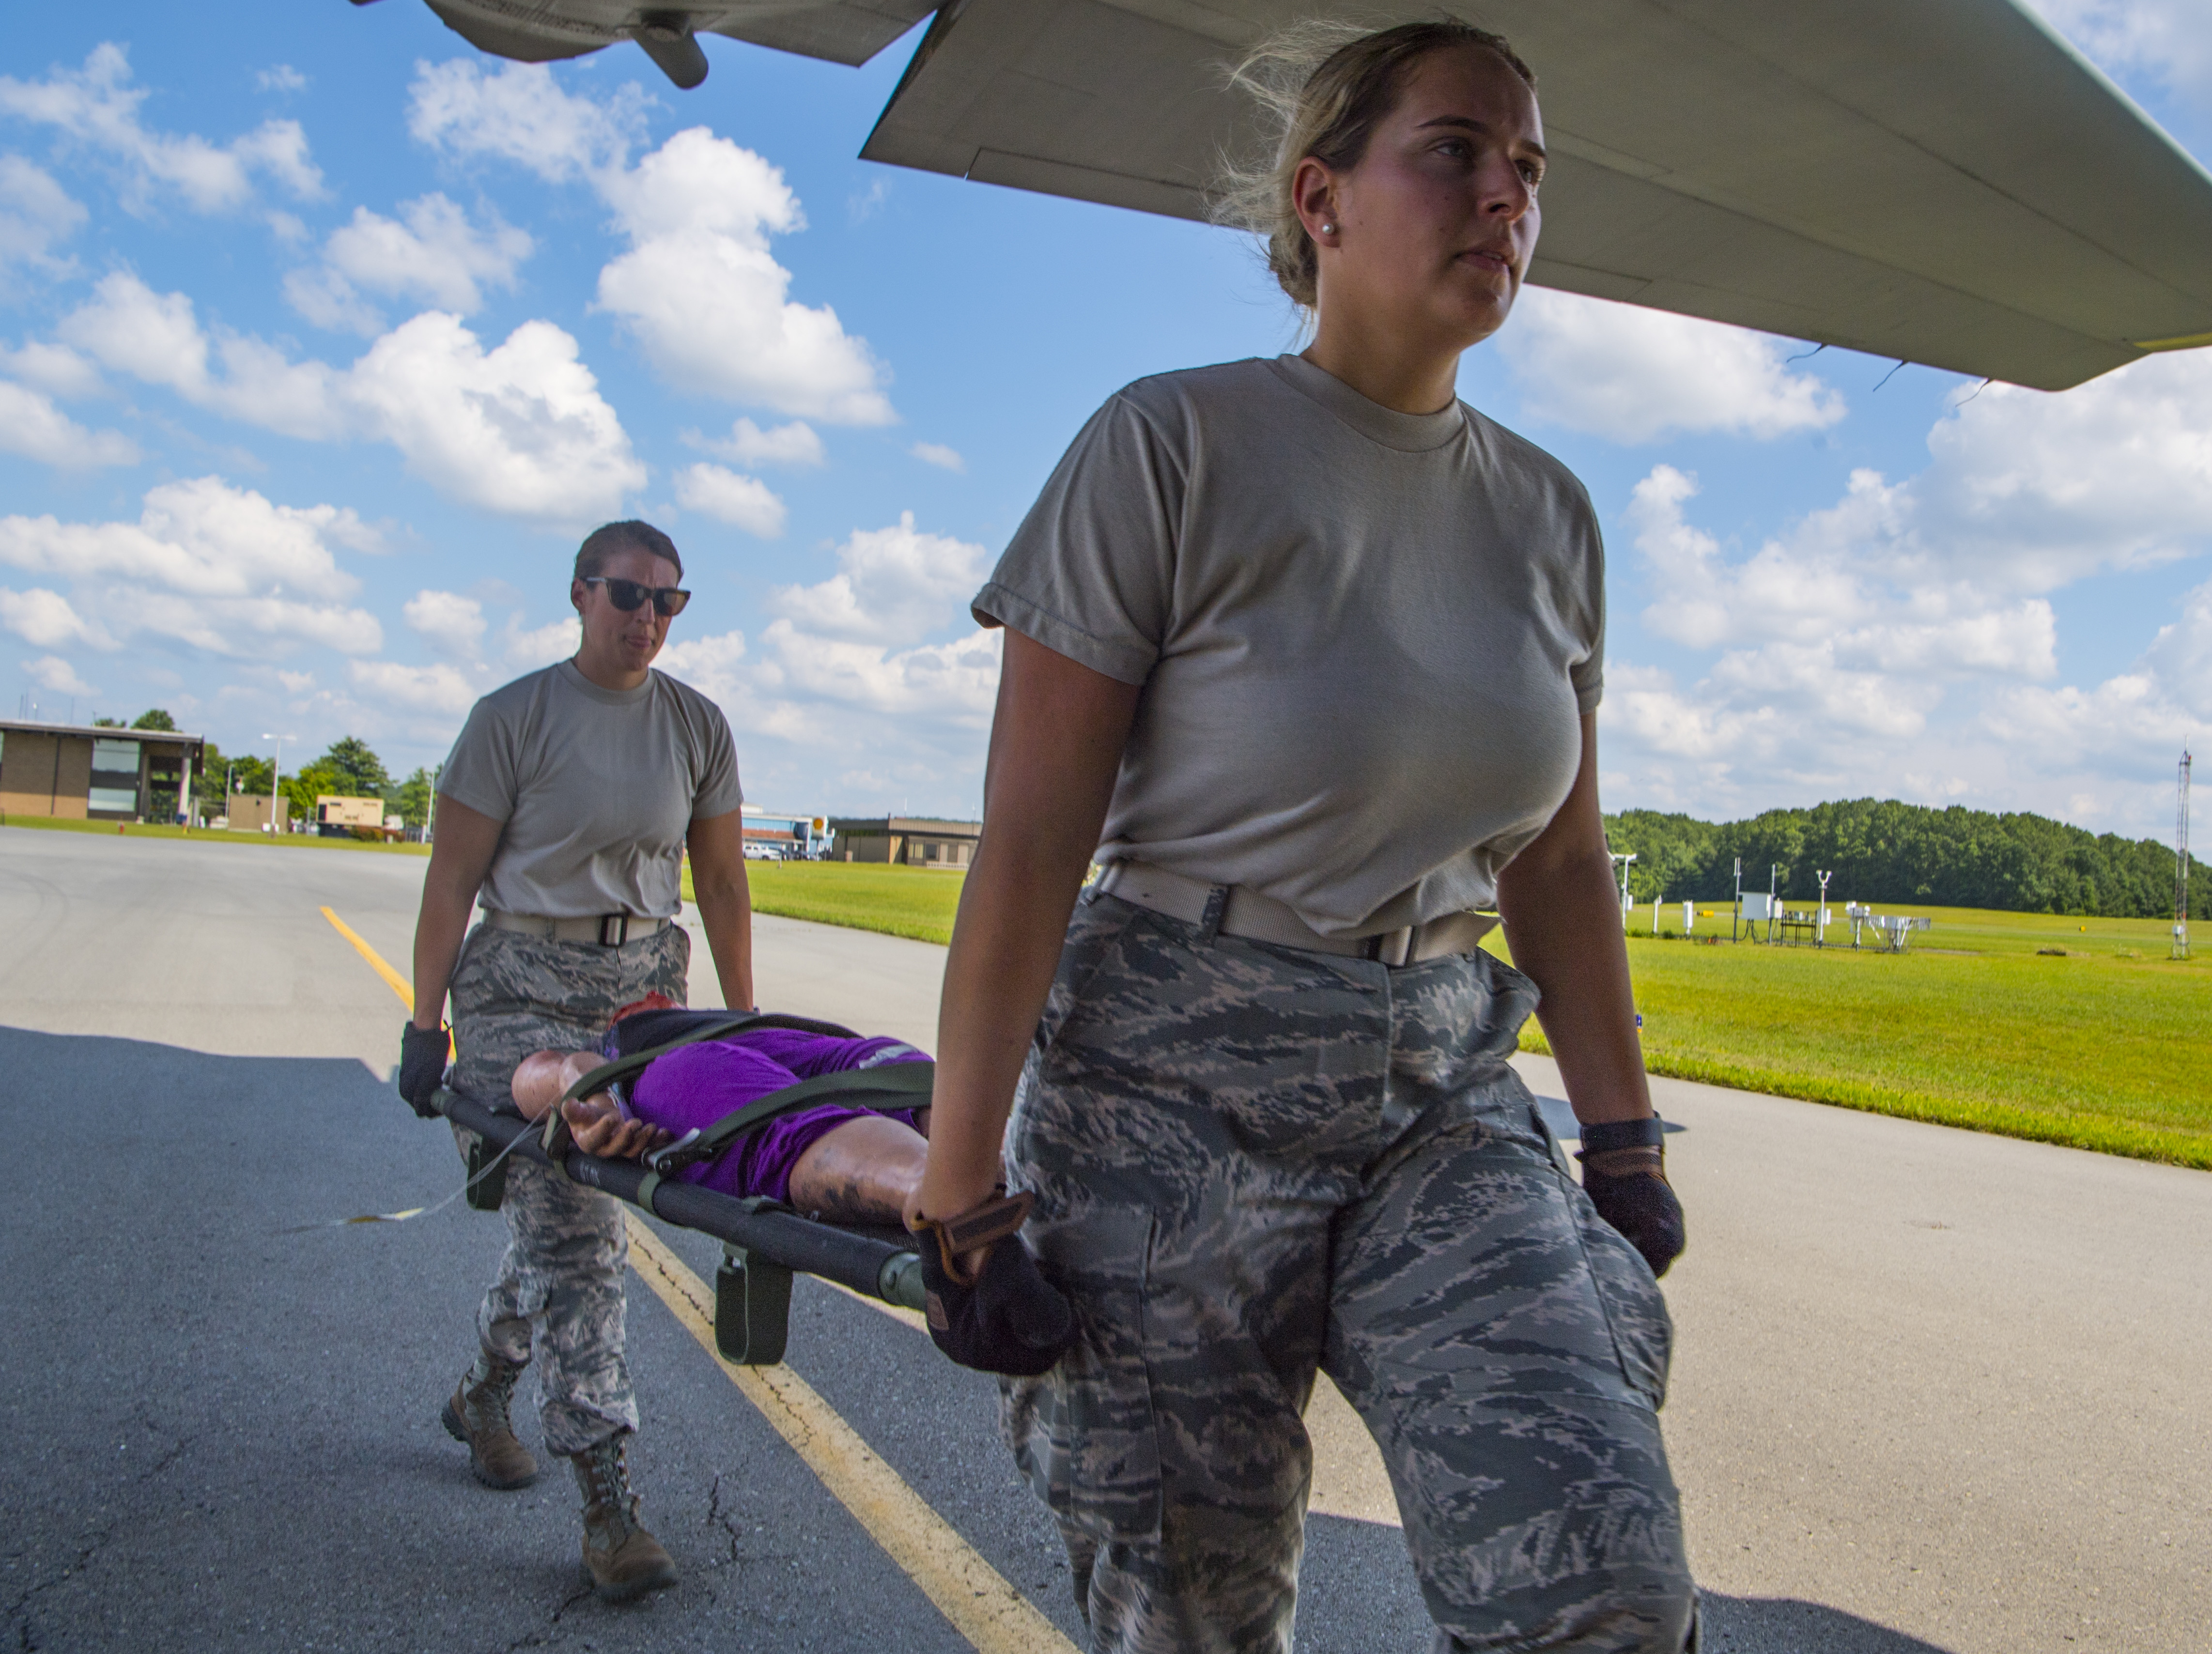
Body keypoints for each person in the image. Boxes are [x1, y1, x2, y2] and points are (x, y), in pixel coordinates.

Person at [907, 21, 1696, 1654]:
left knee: (1600, 1578)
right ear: (1320, 198)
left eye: (1529, 170)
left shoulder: (1547, 514)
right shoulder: (1168, 442)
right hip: (1167, 1092)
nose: (1505, 197)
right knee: (1192, 1611)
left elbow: (1555, 862)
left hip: (1432, 1088)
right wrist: (960, 1186)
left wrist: (1617, 1139)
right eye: (1457, 151)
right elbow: (1029, 843)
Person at [396, 520, 751, 1605]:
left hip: (639, 988)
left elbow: (725, 884)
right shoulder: (512, 719)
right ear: (580, 593)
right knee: (584, 1233)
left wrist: (744, 1026)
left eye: (669, 602)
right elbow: (451, 884)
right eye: (628, 595)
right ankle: (608, 1504)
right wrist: (425, 1026)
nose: (647, 618)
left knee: (572, 1206)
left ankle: (482, 1393)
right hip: (516, 994)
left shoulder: (698, 725)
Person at [511, 992, 936, 1222]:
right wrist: (591, 1092)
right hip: (675, 1063)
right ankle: (952, 1188)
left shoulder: (723, 1017)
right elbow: (535, 1072)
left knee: (905, 1079)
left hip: (779, 1042)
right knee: (779, 1129)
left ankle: (972, 1170)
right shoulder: (622, 1042)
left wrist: (586, 1088)